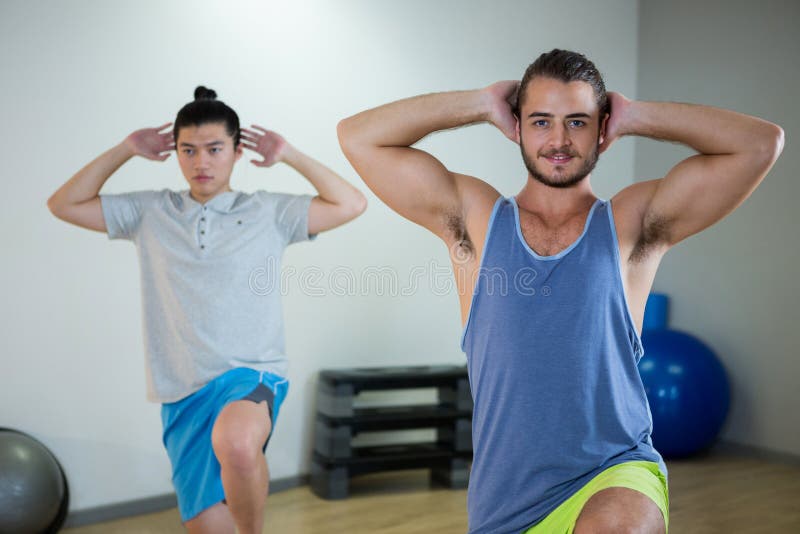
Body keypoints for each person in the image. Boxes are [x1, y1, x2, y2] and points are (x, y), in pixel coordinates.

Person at [337, 49, 783, 533]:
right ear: (517, 126)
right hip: (504, 505)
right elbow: (358, 137)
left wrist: (635, 115)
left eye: (577, 122)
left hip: (613, 471)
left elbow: (760, 144)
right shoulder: (477, 220)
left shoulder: (630, 223)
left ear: (601, 128)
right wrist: (480, 103)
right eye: (541, 121)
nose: (558, 140)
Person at [47, 86, 366, 533]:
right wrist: (126, 149)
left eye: (215, 149)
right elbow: (63, 204)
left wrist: (289, 154)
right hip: (182, 390)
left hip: (251, 374)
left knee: (236, 442)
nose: (201, 162)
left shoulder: (268, 212)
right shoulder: (149, 211)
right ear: (175, 152)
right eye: (189, 150)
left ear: (237, 151)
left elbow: (352, 203)